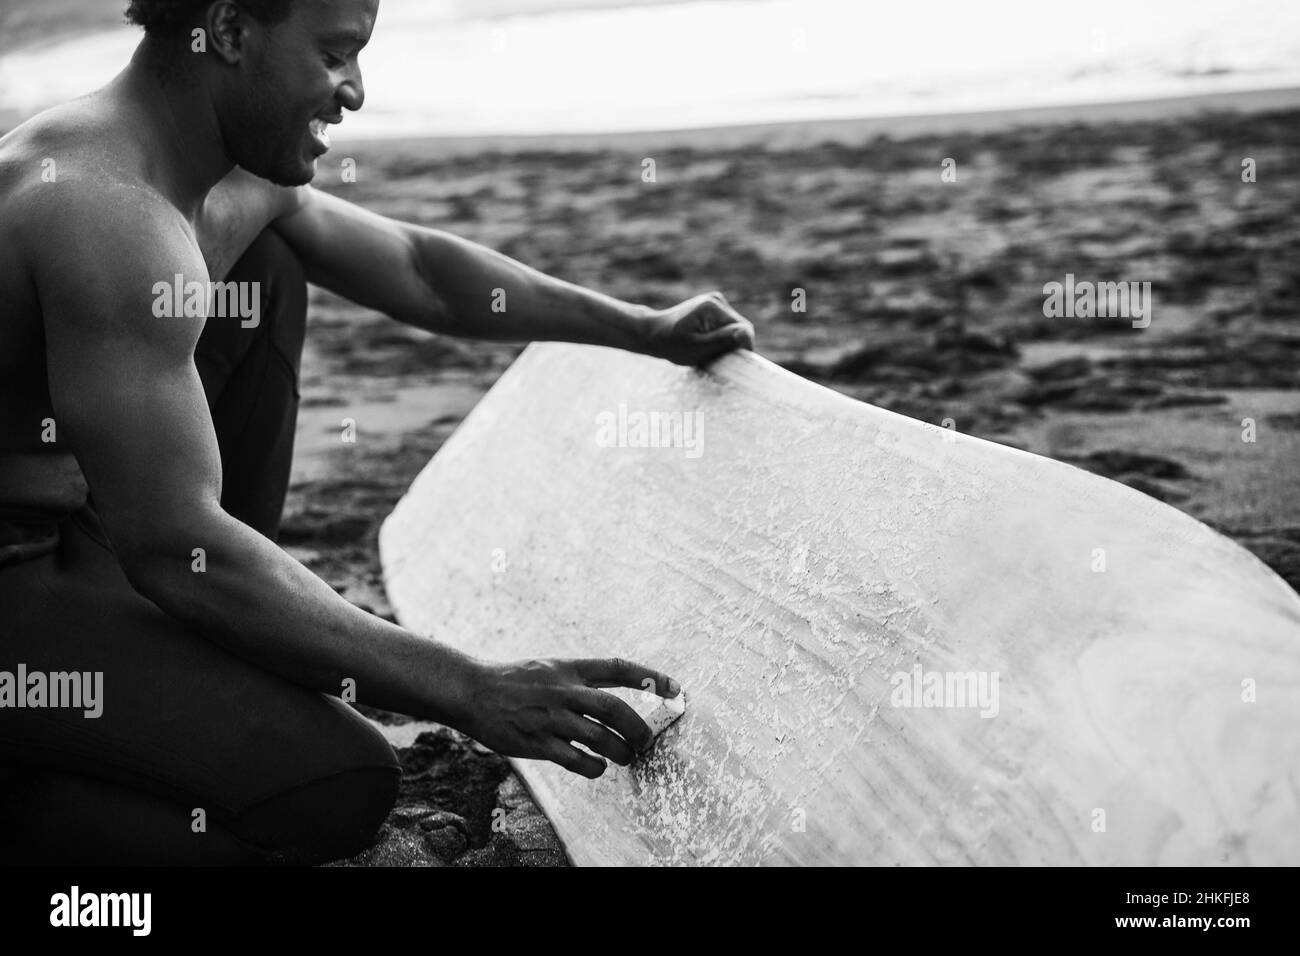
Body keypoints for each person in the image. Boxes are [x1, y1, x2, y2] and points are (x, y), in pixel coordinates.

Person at [0, 0, 755, 865]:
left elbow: (420, 272)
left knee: (269, 270)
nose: (354, 92)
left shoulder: (226, 176)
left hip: (85, 524)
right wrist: (473, 689)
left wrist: (644, 328)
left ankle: (221, 620)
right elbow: (173, 546)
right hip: (23, 570)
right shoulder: (102, 209)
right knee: (334, 785)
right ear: (233, 32)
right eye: (334, 54)